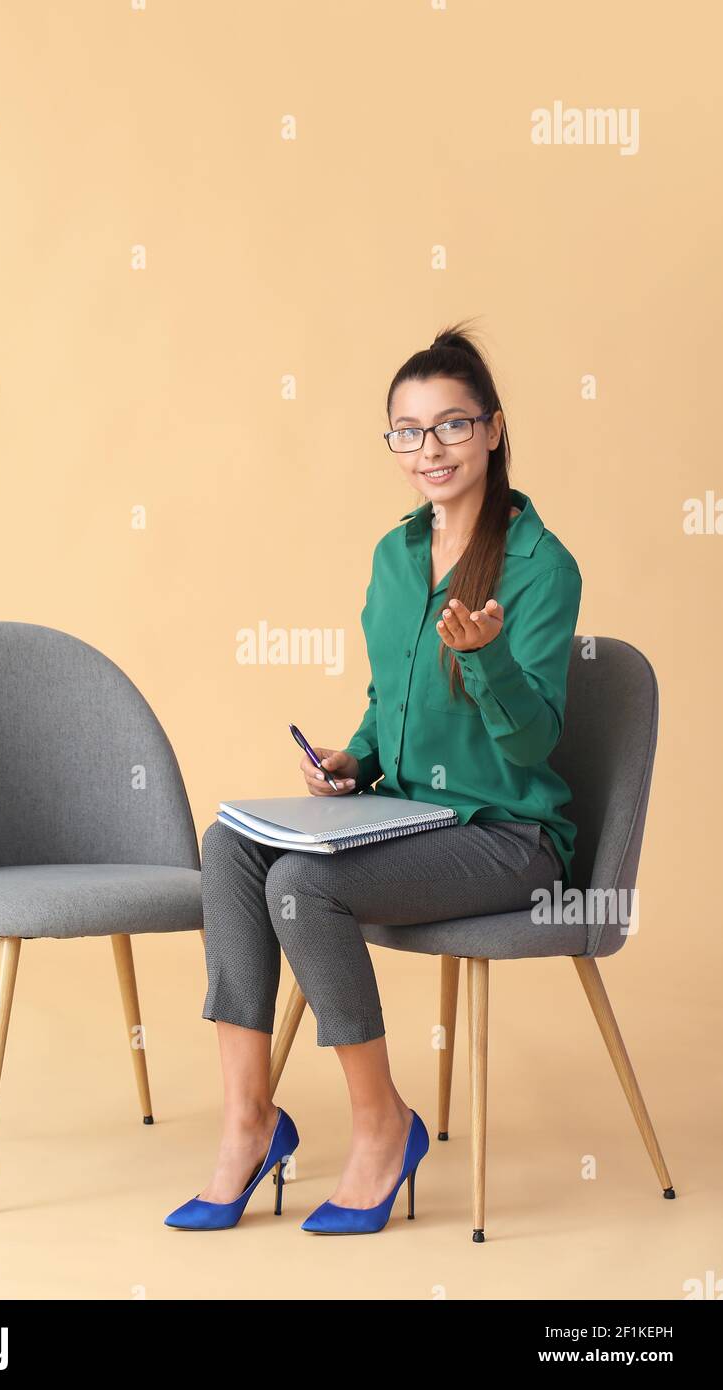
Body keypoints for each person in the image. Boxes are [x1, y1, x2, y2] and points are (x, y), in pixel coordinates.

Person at [165, 321, 582, 1234]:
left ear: (495, 430)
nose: (428, 449)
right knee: (231, 846)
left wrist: (491, 660)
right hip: (405, 818)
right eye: (407, 430)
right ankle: (250, 1121)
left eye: (452, 426)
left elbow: (532, 746)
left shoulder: (542, 568)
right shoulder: (395, 557)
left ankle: (383, 1126)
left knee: (303, 886)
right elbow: (385, 700)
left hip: (507, 836)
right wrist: (356, 759)